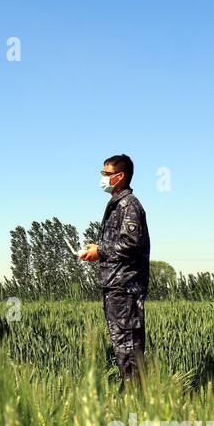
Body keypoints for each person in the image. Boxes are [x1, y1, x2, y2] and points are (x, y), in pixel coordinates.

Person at [80, 154, 150, 382]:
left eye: (106, 174)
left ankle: (136, 399)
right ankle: (131, 394)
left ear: (120, 177)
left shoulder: (129, 205)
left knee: (129, 344)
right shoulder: (118, 204)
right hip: (116, 286)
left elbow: (131, 242)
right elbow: (120, 242)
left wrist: (100, 251)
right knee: (121, 344)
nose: (102, 178)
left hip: (126, 287)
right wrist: (98, 247)